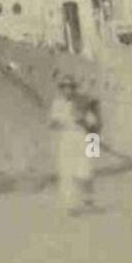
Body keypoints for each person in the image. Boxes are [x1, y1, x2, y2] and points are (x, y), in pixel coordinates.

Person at [49, 74, 99, 210]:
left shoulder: (82, 103)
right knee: (66, 172)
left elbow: (93, 124)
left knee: (85, 172)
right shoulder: (57, 104)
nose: (67, 90)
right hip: (66, 138)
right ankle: (69, 204)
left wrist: (83, 120)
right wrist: (57, 123)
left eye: (70, 87)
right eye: (64, 87)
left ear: (74, 88)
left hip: (81, 137)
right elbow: (52, 123)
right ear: (61, 89)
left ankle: (89, 199)